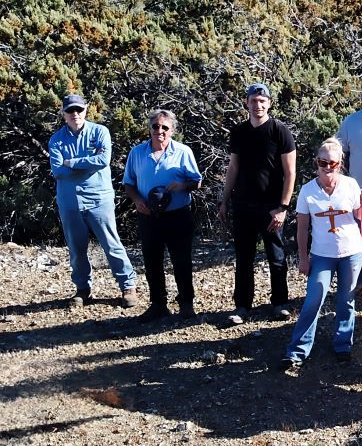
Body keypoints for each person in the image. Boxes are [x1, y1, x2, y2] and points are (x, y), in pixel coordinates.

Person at [282, 138, 362, 370]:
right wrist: (303, 258)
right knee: (314, 298)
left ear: (340, 164)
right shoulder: (307, 191)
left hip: (351, 251)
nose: (327, 167)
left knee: (346, 299)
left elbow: (359, 216)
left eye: (332, 163)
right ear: (316, 163)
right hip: (321, 253)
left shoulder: (351, 185)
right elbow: (302, 228)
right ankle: (298, 350)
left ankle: (343, 345)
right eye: (323, 162)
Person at [48, 93, 138, 308]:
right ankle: (82, 289)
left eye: (78, 109)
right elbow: (58, 171)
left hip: (99, 199)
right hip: (69, 202)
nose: (75, 114)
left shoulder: (100, 132)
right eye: (70, 111)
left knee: (111, 244)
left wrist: (72, 162)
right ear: (63, 114)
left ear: (86, 110)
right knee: (76, 249)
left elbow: (102, 160)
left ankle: (128, 286)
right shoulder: (56, 139)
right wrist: (84, 164)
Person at [218, 83, 296, 325]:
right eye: (254, 100)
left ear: (269, 103)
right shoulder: (239, 132)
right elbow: (233, 167)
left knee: (276, 255)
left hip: (271, 206)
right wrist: (225, 200)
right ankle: (242, 306)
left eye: (262, 101)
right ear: (246, 103)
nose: (258, 105)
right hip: (243, 205)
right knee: (244, 258)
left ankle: (280, 303)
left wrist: (282, 207)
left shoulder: (279, 130)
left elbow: (290, 172)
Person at [122, 110, 203, 322]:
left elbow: (197, 181)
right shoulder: (137, 153)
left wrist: (182, 185)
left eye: (165, 127)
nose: (160, 131)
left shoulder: (183, 151)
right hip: (149, 216)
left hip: (178, 215)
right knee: (152, 261)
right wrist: (137, 201)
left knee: (181, 260)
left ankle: (186, 303)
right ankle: (158, 304)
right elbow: (128, 183)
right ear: (149, 128)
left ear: (172, 130)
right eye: (155, 126)